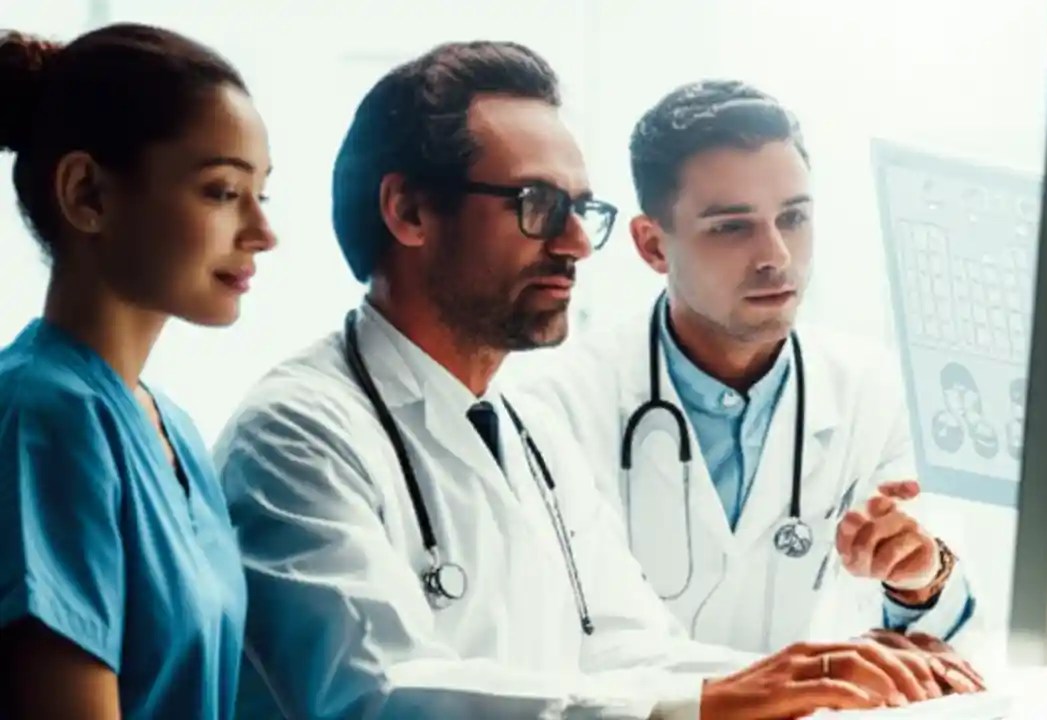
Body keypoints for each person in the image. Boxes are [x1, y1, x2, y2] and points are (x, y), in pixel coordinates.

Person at [213, 41, 974, 720]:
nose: (577, 241)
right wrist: (718, 701)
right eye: (538, 205)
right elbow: (374, 695)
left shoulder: (528, 434)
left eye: (581, 209)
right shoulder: (298, 433)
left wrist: (836, 678)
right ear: (410, 211)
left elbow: (623, 649)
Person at [509, 80, 986, 662]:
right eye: (732, 227)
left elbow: (944, 641)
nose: (776, 256)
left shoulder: (875, 395)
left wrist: (918, 578)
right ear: (653, 246)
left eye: (793, 218)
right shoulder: (556, 409)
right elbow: (558, 650)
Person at [0, 23, 276, 720]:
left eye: (261, 195)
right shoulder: (45, 416)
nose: (262, 233)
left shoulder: (174, 431)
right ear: (87, 194)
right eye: (222, 191)